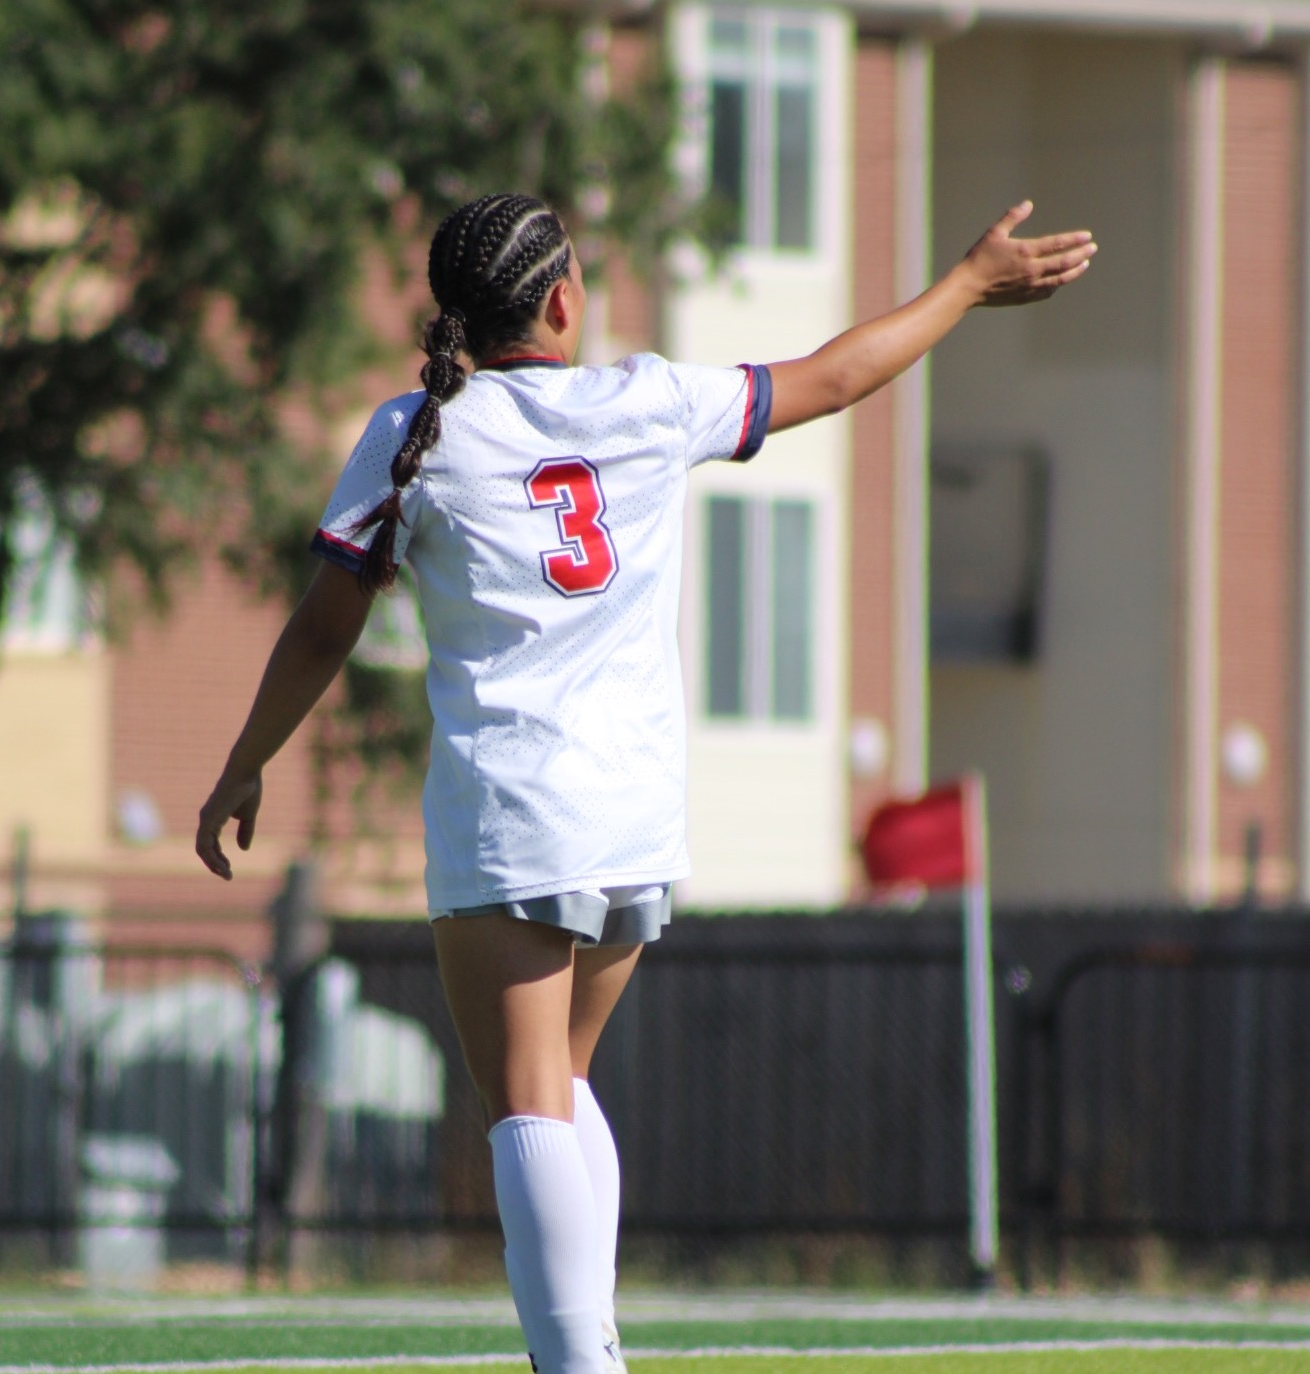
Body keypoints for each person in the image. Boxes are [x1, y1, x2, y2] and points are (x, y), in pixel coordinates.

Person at [196, 191, 1095, 1373]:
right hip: (634, 815)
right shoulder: (648, 401)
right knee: (563, 1083)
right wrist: (965, 285)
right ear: (563, 299)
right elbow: (831, 378)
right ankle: (595, 1340)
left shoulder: (413, 432)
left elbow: (323, 630)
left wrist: (244, 760)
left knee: (525, 1101)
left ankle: (580, 1363)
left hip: (512, 813)